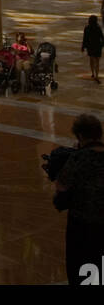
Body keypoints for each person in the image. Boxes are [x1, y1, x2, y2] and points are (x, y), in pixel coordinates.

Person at [53, 113, 104, 286]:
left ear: (80, 135)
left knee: (78, 267)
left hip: (81, 224)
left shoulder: (77, 158)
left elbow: (61, 186)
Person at [82, 15, 104, 83]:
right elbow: (102, 37)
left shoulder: (87, 28)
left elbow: (85, 38)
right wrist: (102, 45)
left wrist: (83, 47)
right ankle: (96, 75)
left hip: (90, 47)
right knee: (97, 61)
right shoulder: (98, 28)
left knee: (91, 59)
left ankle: (92, 73)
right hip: (98, 46)